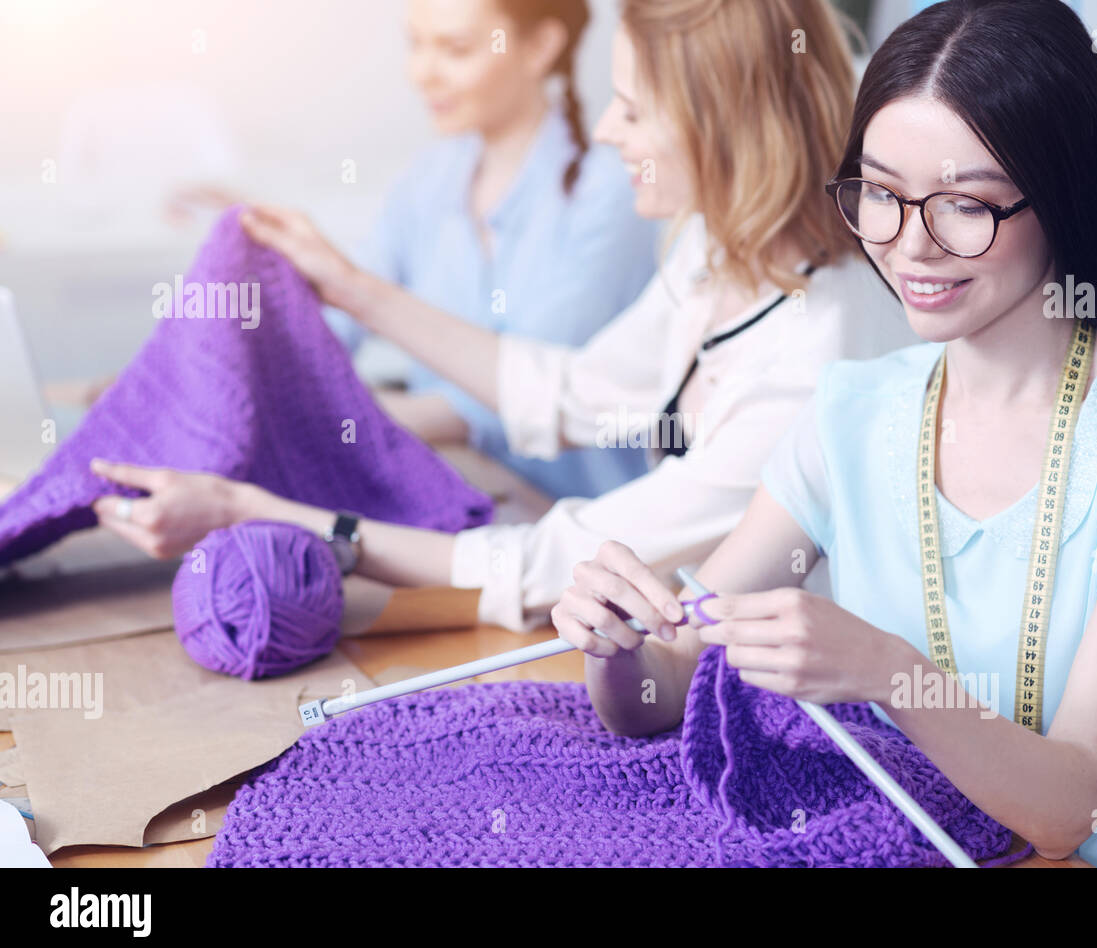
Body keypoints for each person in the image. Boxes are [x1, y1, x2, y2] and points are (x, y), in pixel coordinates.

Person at [550, 0, 1097, 868]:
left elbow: (1070, 808)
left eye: (961, 205)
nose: (909, 246)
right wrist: (614, 645)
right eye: (880, 194)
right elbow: (667, 684)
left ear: (1066, 195)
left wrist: (884, 669)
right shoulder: (851, 414)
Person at [90, 0, 918, 633]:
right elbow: (569, 390)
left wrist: (244, 506)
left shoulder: (815, 357)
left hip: (774, 694)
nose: (606, 128)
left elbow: (551, 561)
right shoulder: (717, 250)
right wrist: (345, 284)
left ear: (722, 128)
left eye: (631, 108)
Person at [181, 0, 660, 501]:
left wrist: (311, 416)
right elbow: (336, 319)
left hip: (588, 524)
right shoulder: (430, 179)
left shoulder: (612, 192)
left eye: (455, 49)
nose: (422, 74)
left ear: (540, 46)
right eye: (416, 44)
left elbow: (525, 395)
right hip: (466, 493)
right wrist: (216, 372)